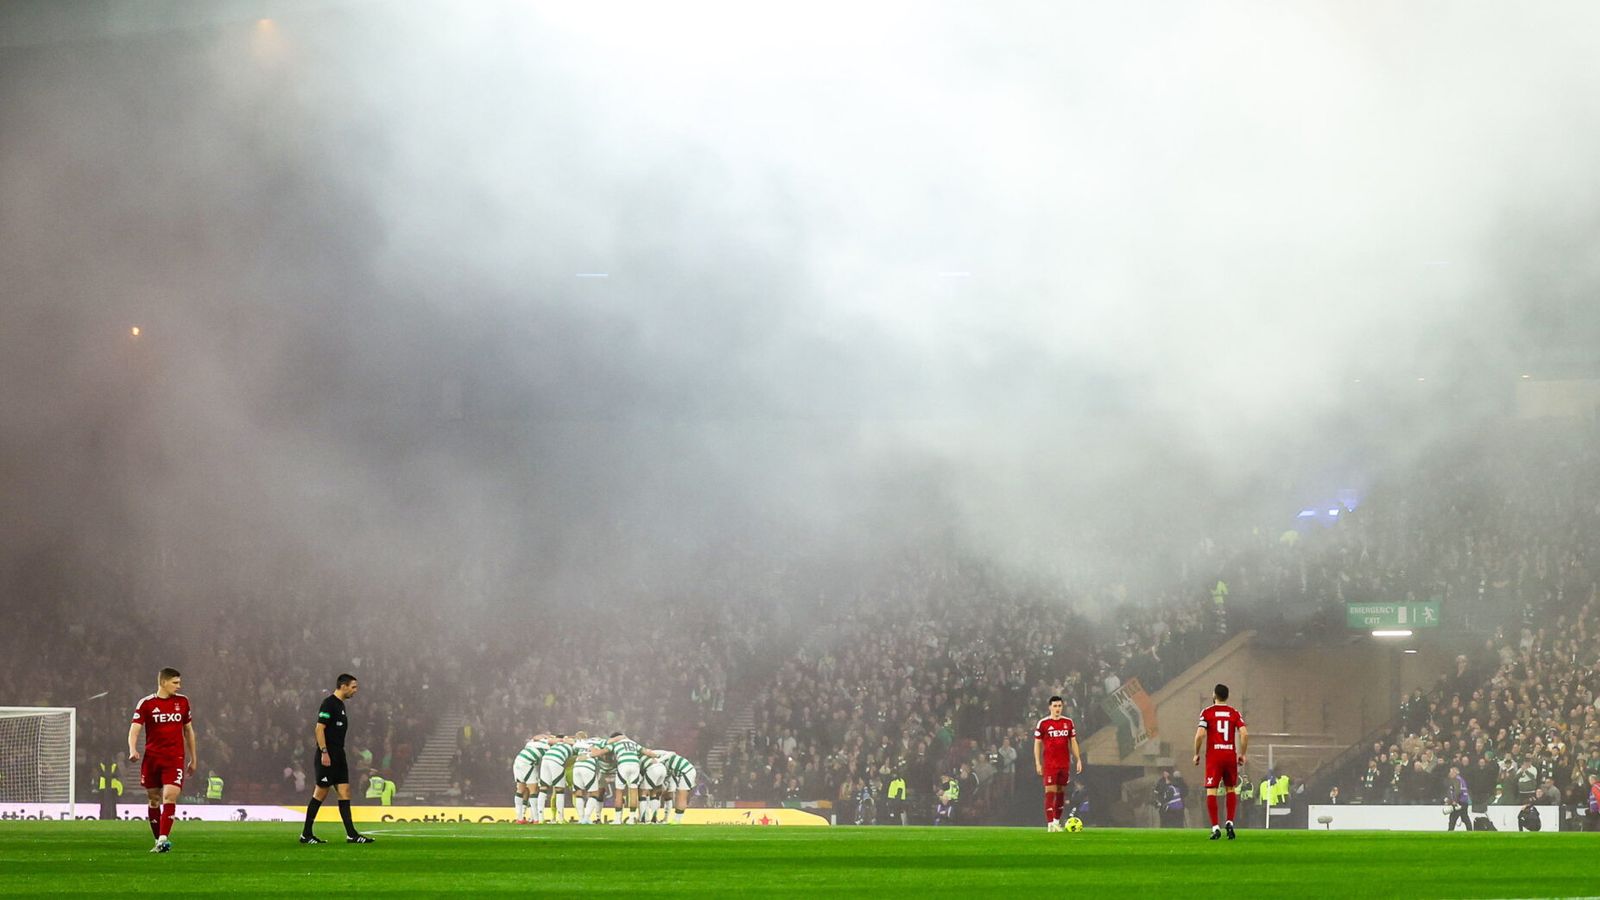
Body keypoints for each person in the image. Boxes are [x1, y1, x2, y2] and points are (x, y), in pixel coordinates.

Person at [128, 667, 196, 853]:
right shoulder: (146, 704)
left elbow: (188, 731)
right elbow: (135, 729)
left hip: (174, 759)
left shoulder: (182, 702)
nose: (179, 686)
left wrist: (193, 758)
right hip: (152, 759)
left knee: (170, 796)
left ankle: (164, 839)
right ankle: (158, 840)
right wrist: (133, 749)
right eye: (175, 682)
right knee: (154, 799)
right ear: (163, 682)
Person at [300, 674, 373, 844]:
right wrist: (324, 752)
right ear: (343, 686)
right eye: (353, 687)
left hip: (339, 754)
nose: (356, 690)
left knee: (345, 792)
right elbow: (319, 729)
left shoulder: (341, 705)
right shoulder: (329, 703)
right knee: (321, 792)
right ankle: (306, 834)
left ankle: (352, 834)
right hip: (328, 754)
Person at [1194, 682, 1248, 840]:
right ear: (1227, 696)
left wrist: (1196, 753)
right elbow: (1244, 734)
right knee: (1231, 789)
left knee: (1212, 791)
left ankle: (1216, 827)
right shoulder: (1234, 713)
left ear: (1214, 695)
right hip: (1229, 754)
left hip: (1214, 756)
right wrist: (1242, 754)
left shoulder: (1207, 712)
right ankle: (1230, 822)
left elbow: (1200, 735)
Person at [1033, 695, 1083, 832]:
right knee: (1050, 792)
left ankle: (1056, 822)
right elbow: (1037, 744)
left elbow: (1073, 742)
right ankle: (1050, 823)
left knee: (1061, 793)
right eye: (1055, 706)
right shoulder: (1043, 724)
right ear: (1050, 707)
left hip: (1064, 764)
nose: (1057, 709)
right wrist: (1038, 763)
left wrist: (1078, 759)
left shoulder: (1068, 722)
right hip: (1049, 764)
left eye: (1059, 706)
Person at [1445, 765, 1471, 832]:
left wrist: (1454, 801)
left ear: (1455, 773)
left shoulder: (1456, 779)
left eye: (1451, 772)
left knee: (1453, 818)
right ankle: (1470, 831)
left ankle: (1450, 832)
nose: (1450, 774)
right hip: (1464, 801)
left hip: (1459, 802)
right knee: (1465, 818)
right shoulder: (1461, 779)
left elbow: (1457, 791)